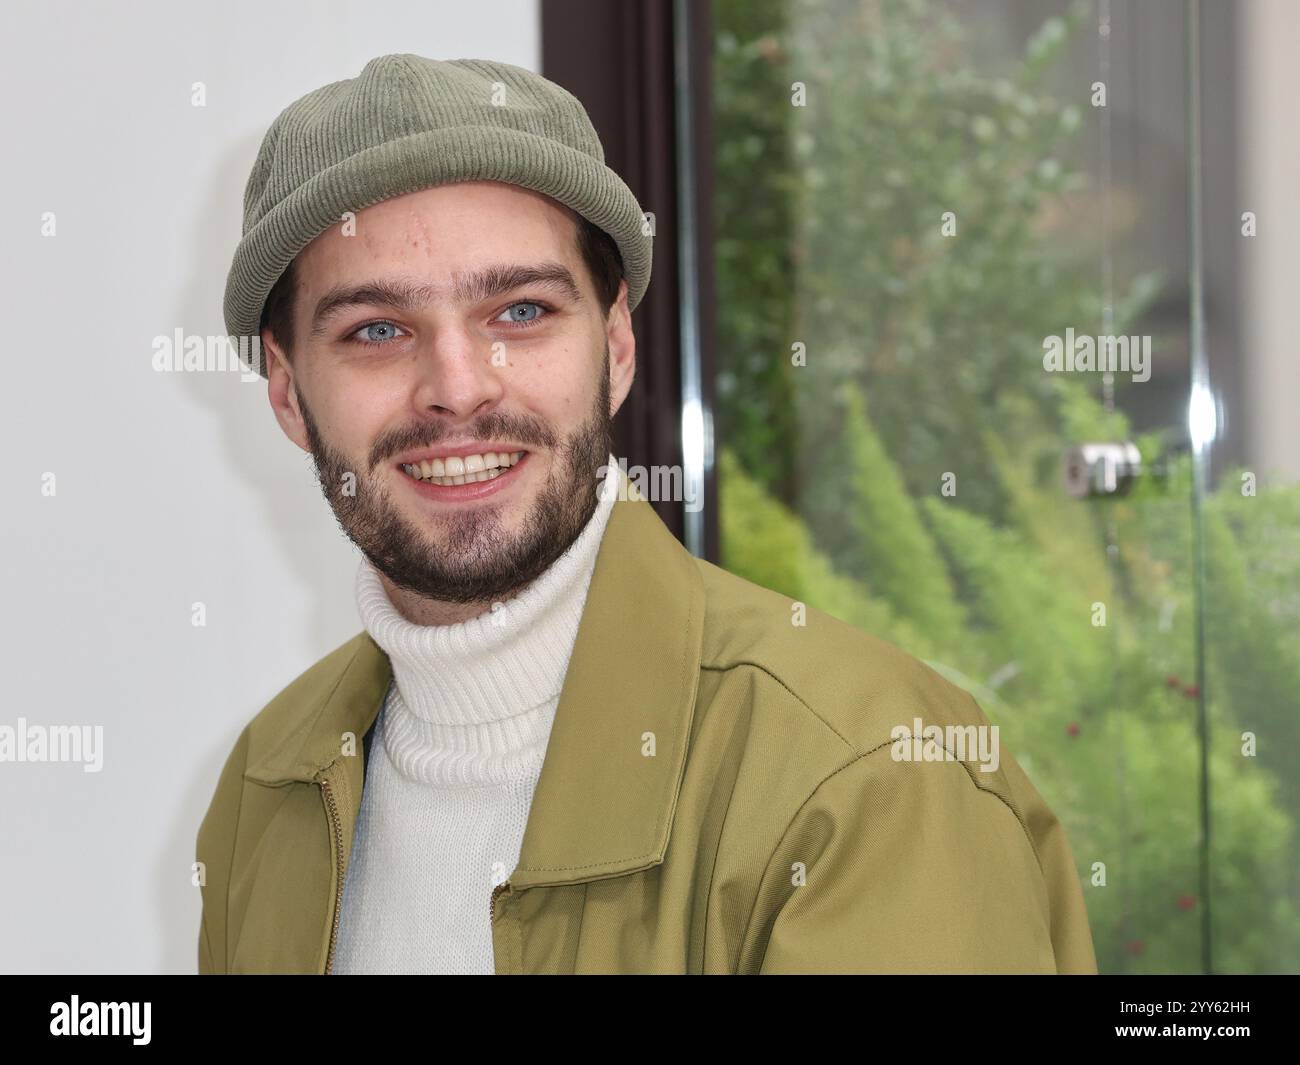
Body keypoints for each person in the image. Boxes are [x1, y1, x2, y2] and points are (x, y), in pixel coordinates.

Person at [195, 53, 1098, 974]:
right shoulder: (271, 784)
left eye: (520, 311)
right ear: (287, 392)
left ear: (617, 347)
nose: (457, 389)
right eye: (376, 330)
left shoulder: (861, 775)